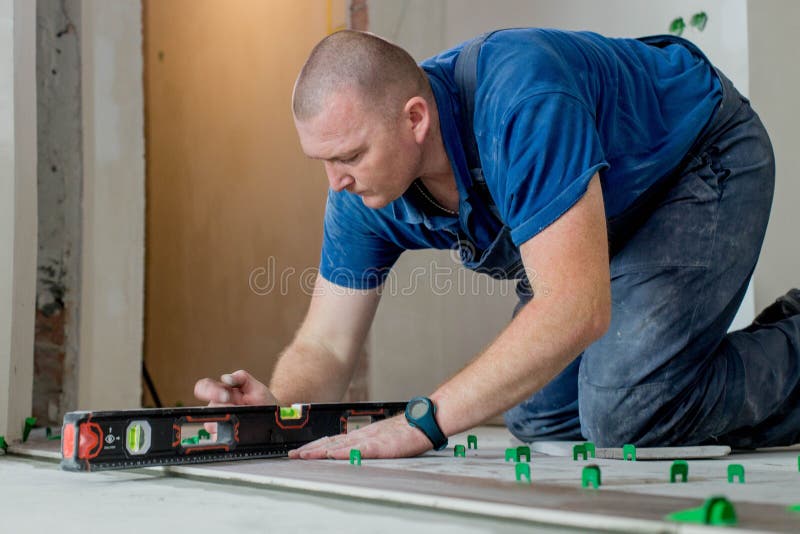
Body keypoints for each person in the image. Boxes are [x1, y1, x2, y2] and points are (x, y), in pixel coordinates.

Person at [194, 28, 800, 459]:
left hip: (695, 161)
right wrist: (279, 412)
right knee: (542, 416)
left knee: (626, 412)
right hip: (603, 214)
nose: (337, 182)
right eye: (322, 161)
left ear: (415, 120)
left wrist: (422, 422)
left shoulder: (519, 101)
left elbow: (574, 308)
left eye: (349, 155)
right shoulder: (359, 191)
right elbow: (325, 342)